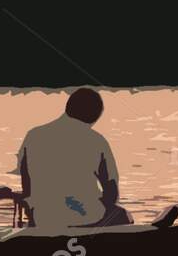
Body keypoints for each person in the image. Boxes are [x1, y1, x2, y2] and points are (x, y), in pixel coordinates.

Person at [16, 88, 132, 228]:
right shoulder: (97, 141)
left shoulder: (33, 135)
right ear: (95, 115)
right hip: (85, 219)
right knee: (123, 215)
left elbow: (26, 182)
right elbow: (111, 192)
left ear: (68, 107)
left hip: (42, 218)